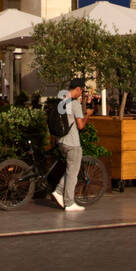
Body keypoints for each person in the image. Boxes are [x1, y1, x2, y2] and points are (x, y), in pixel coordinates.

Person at [53, 79, 91, 212]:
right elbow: (80, 126)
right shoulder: (74, 104)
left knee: (71, 170)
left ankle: (58, 191)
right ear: (78, 89)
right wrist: (87, 115)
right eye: (81, 91)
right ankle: (69, 203)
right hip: (72, 142)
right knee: (73, 173)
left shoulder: (60, 100)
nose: (81, 94)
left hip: (61, 140)